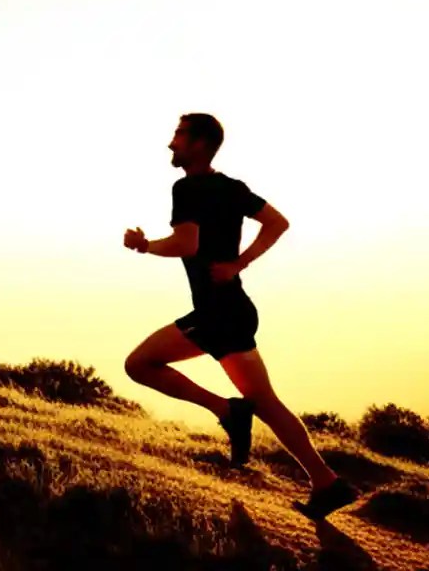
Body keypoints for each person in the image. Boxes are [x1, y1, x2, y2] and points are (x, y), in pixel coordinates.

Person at [122, 112, 359, 520]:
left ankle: (226, 411)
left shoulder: (187, 187)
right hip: (233, 309)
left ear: (199, 143)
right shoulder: (232, 188)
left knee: (139, 364)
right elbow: (277, 223)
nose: (171, 143)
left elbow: (187, 242)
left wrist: (145, 247)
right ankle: (327, 483)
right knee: (265, 402)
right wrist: (239, 264)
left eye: (178, 136)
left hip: (216, 313)